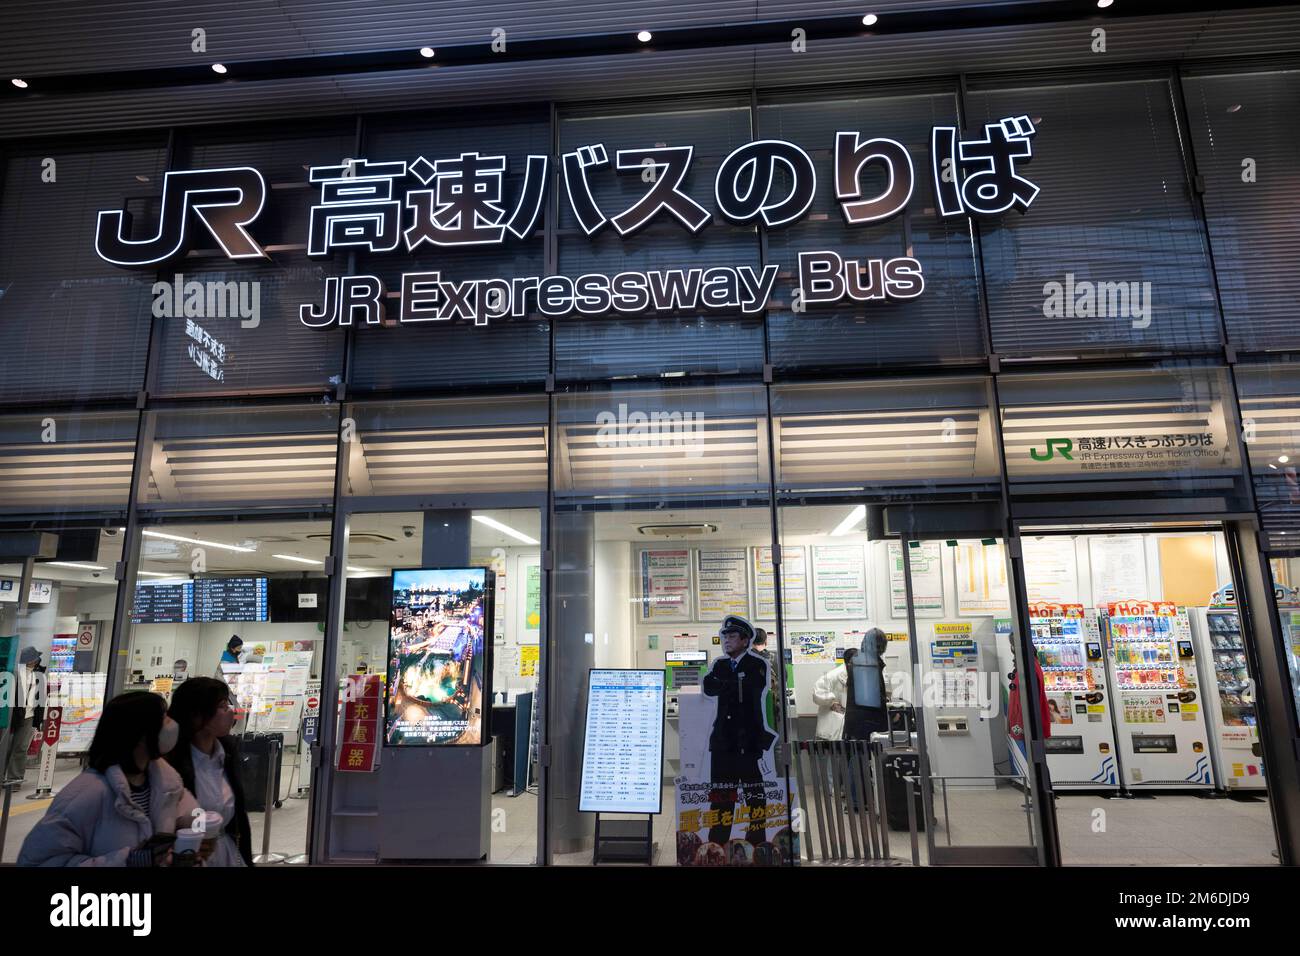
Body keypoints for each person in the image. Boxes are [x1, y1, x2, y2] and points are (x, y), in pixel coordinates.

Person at [18, 692, 198, 867]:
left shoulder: (166, 782)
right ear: (140, 733)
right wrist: (127, 861)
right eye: (164, 718)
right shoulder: (84, 795)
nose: (171, 724)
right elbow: (39, 861)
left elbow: (191, 818)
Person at [701, 615, 777, 849]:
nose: (726, 641)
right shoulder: (721, 664)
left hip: (749, 742)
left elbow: (751, 687)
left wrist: (728, 683)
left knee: (755, 798)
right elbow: (708, 686)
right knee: (721, 798)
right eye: (724, 636)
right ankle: (717, 847)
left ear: (745, 640)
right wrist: (731, 683)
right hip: (723, 742)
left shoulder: (757, 664)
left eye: (732, 636)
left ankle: (758, 845)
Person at [164, 677, 252, 867]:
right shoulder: (170, 762)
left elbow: (238, 820)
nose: (230, 711)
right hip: (187, 856)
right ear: (197, 715)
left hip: (227, 854)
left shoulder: (227, 754)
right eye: (222, 706)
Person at [3, 646, 45, 785]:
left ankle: (15, 779)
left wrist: (39, 719)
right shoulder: (15, 674)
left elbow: (40, 698)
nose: (37, 660)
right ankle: (3, 775)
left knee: (21, 747)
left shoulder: (38, 675)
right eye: (34, 657)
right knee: (6, 746)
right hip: (12, 715)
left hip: (29, 715)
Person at [843, 628, 890, 740]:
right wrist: (890, 714)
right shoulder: (867, 665)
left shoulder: (857, 661)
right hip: (866, 728)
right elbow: (872, 698)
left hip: (855, 726)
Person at [811, 648, 854, 741]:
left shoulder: (854, 674)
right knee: (831, 752)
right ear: (850, 662)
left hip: (847, 725)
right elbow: (817, 693)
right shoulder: (833, 675)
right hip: (831, 728)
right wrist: (832, 702)